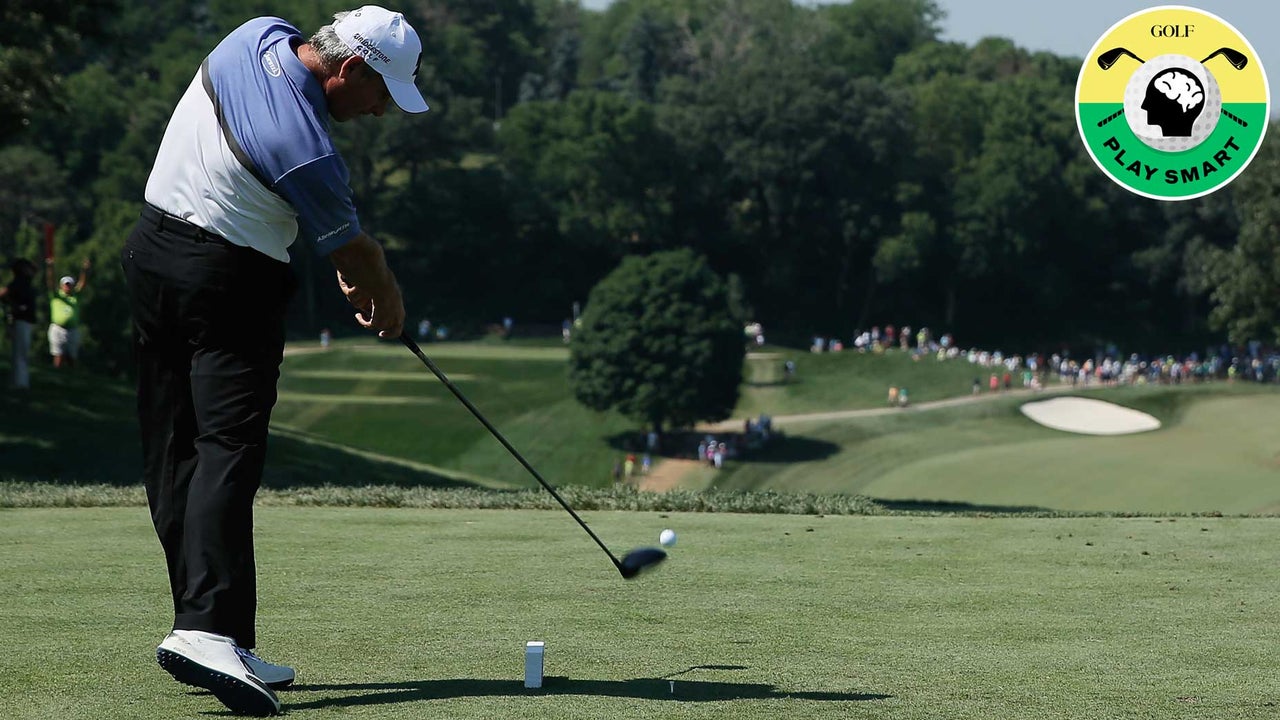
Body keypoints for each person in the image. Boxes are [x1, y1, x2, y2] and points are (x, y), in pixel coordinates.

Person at [120, 7, 426, 715]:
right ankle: (203, 629)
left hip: (150, 254)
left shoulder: (253, 34)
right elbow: (361, 255)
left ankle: (217, 632)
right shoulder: (310, 151)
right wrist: (385, 297)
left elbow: (334, 238)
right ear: (350, 69)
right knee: (228, 450)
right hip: (227, 283)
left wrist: (350, 261)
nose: (381, 112)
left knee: (174, 452)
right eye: (382, 93)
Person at [1, 258, 38, 389]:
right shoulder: (19, 282)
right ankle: (20, 383)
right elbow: (3, 293)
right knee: (20, 352)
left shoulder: (23, 282)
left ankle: (20, 381)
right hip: (20, 320)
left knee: (20, 352)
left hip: (23, 320)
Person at [46, 257, 89, 369]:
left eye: (69, 284)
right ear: (61, 285)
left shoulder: (76, 296)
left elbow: (82, 284)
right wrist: (50, 268)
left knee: (72, 357)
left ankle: (72, 378)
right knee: (58, 355)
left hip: (72, 329)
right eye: (65, 284)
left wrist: (84, 270)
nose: (67, 286)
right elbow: (50, 281)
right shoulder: (56, 295)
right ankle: (57, 376)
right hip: (58, 328)